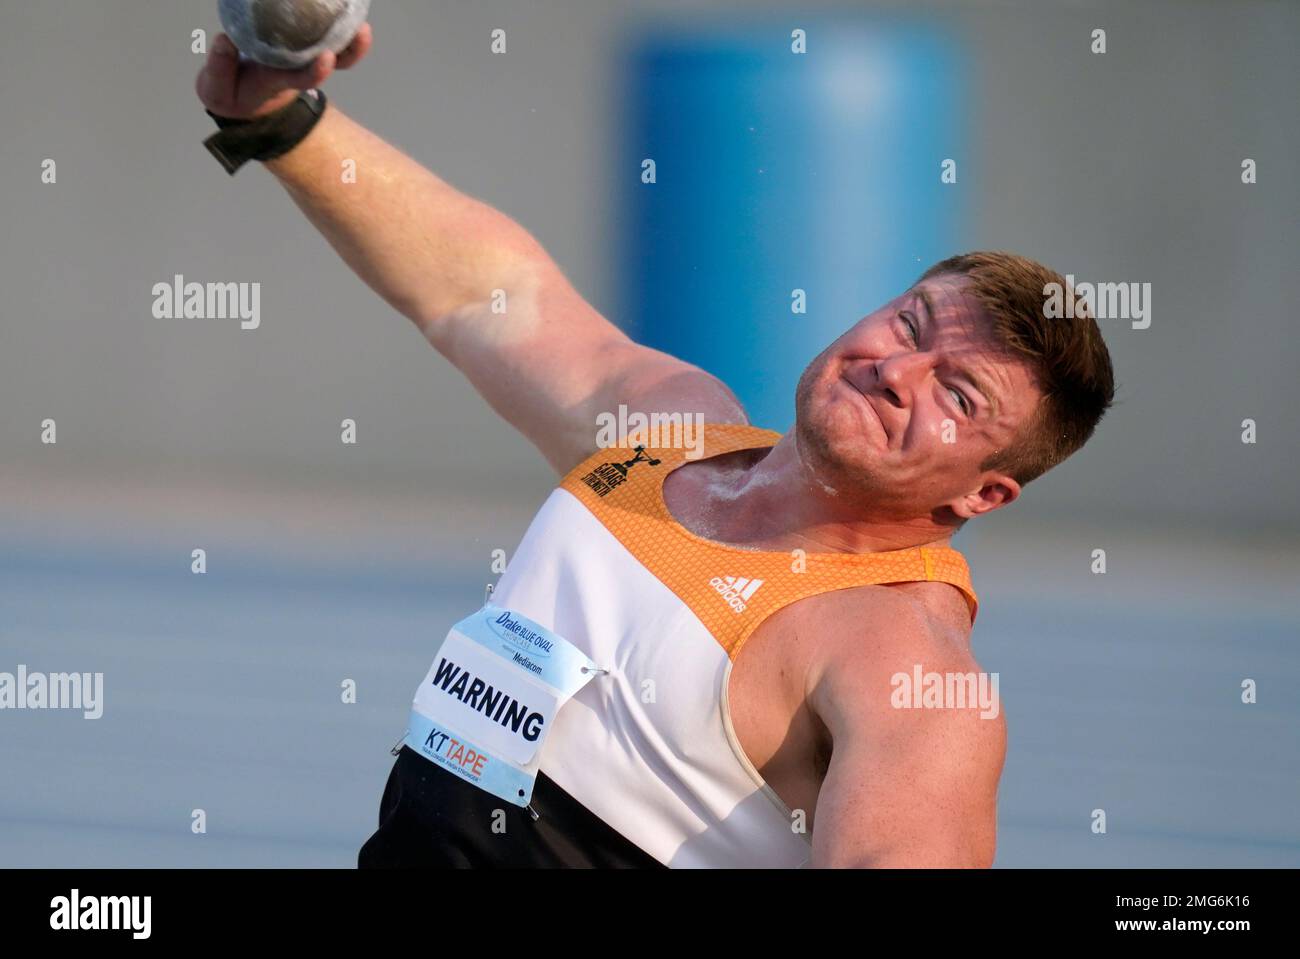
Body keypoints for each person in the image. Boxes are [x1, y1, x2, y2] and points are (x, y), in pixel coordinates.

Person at [195, 24, 1115, 868]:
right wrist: (284, 124)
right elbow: (479, 292)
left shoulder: (906, 671)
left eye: (957, 393)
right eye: (910, 326)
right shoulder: (668, 428)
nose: (895, 372)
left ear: (982, 496)